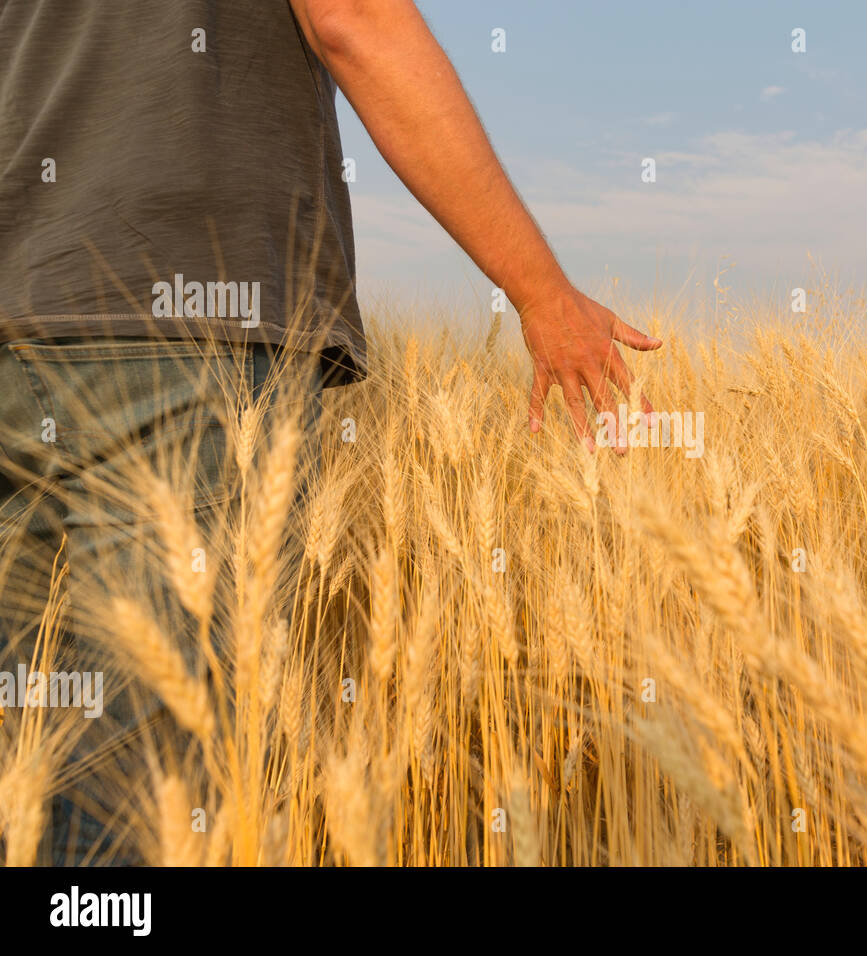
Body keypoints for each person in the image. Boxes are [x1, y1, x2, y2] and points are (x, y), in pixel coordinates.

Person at [0, 0, 658, 864]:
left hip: (19, 328)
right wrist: (540, 291)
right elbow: (353, 18)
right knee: (151, 796)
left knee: (33, 766)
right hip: (182, 322)